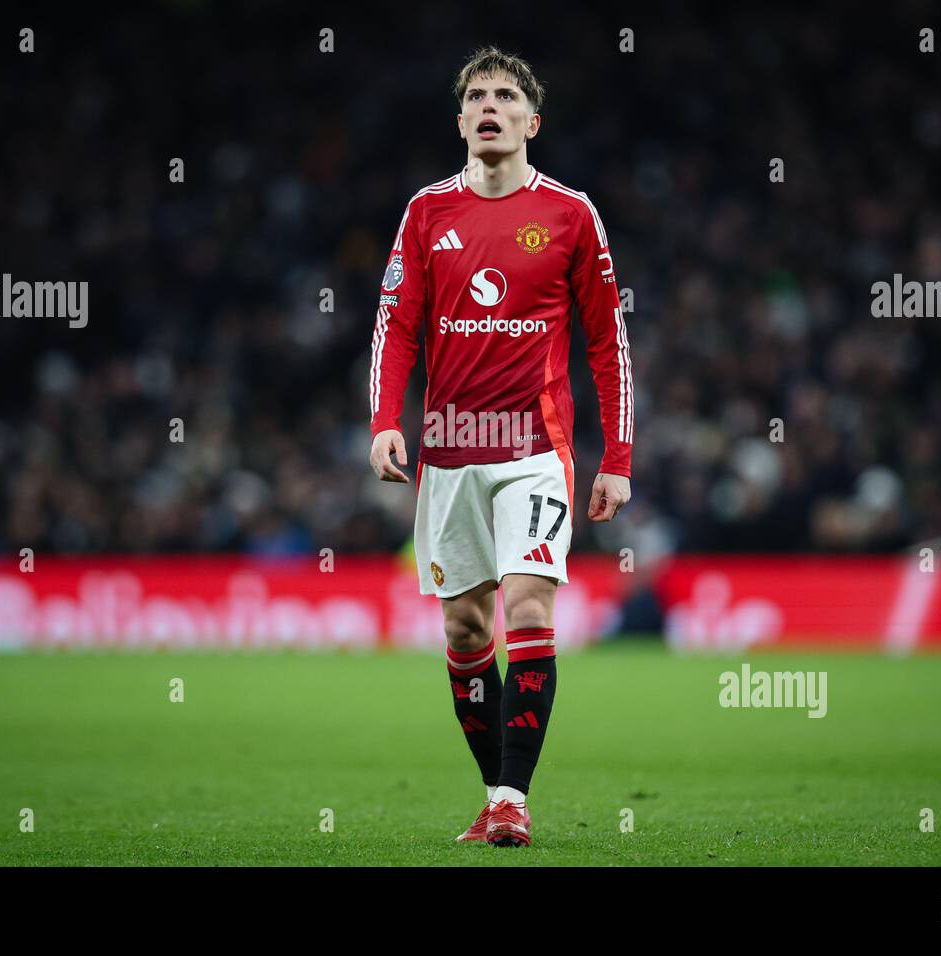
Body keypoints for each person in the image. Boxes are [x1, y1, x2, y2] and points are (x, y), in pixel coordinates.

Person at [368, 46, 634, 847]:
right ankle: (494, 793)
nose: (490, 105)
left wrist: (616, 458)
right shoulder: (425, 213)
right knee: (464, 632)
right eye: (476, 96)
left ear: (530, 121)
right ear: (460, 121)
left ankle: (514, 797)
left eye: (505, 95)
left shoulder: (570, 213)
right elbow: (397, 324)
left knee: (527, 605)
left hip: (533, 450)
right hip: (448, 453)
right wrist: (385, 418)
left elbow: (607, 341)